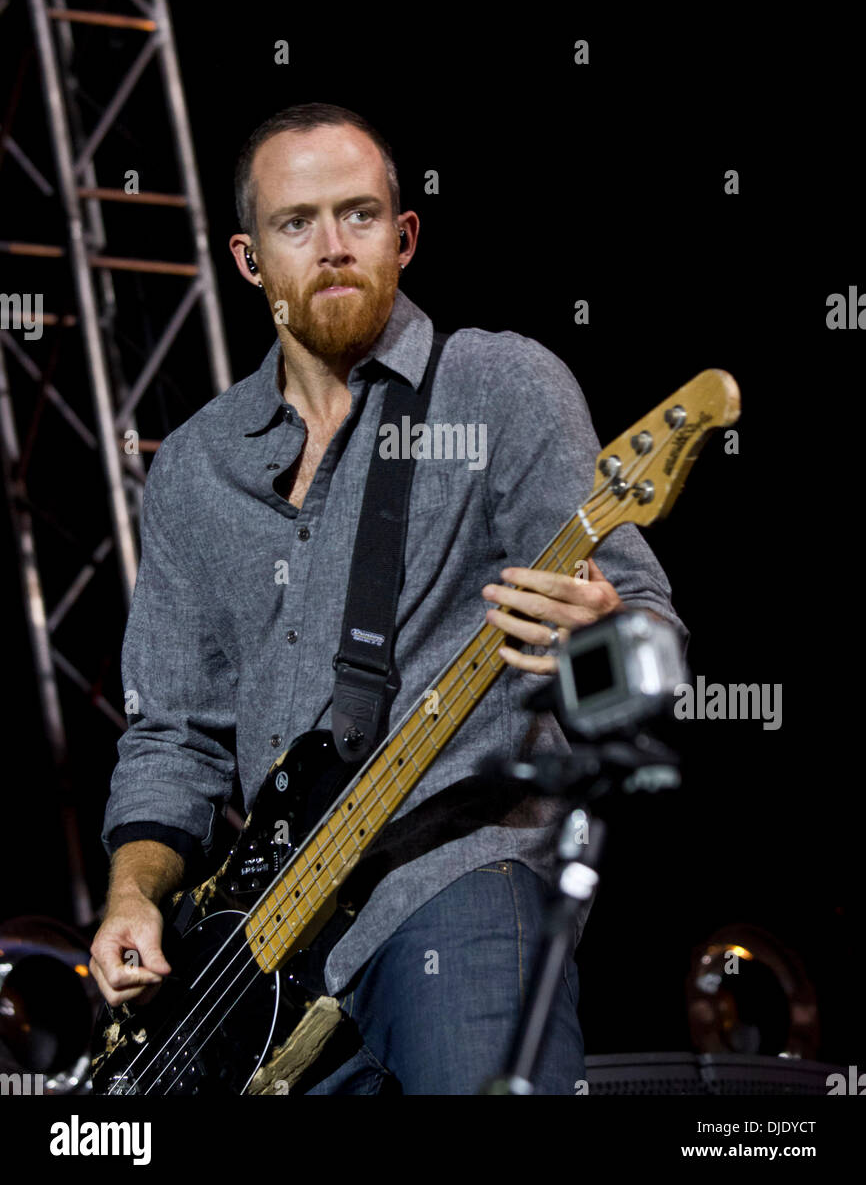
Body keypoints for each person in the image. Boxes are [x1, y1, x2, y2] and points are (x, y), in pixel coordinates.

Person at [89, 102, 688, 1095]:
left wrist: (605, 635)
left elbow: (649, 640)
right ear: (247, 259)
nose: (331, 247)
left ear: (404, 236)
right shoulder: (196, 465)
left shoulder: (498, 385)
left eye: (358, 216)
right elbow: (172, 738)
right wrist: (131, 896)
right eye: (296, 224)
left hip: (455, 881)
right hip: (263, 961)